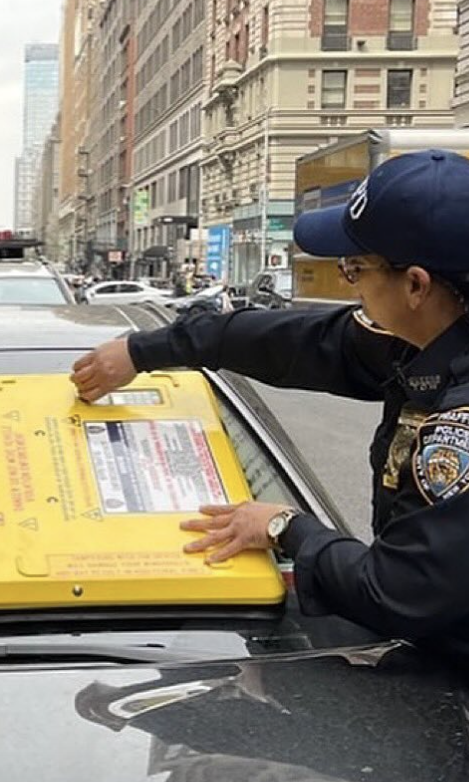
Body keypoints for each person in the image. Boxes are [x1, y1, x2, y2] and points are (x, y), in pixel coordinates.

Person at [70, 149, 469, 659]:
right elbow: (293, 341)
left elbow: (397, 591)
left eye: (355, 268)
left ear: (416, 284)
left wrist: (284, 526)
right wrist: (142, 350)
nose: (352, 286)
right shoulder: (424, 336)